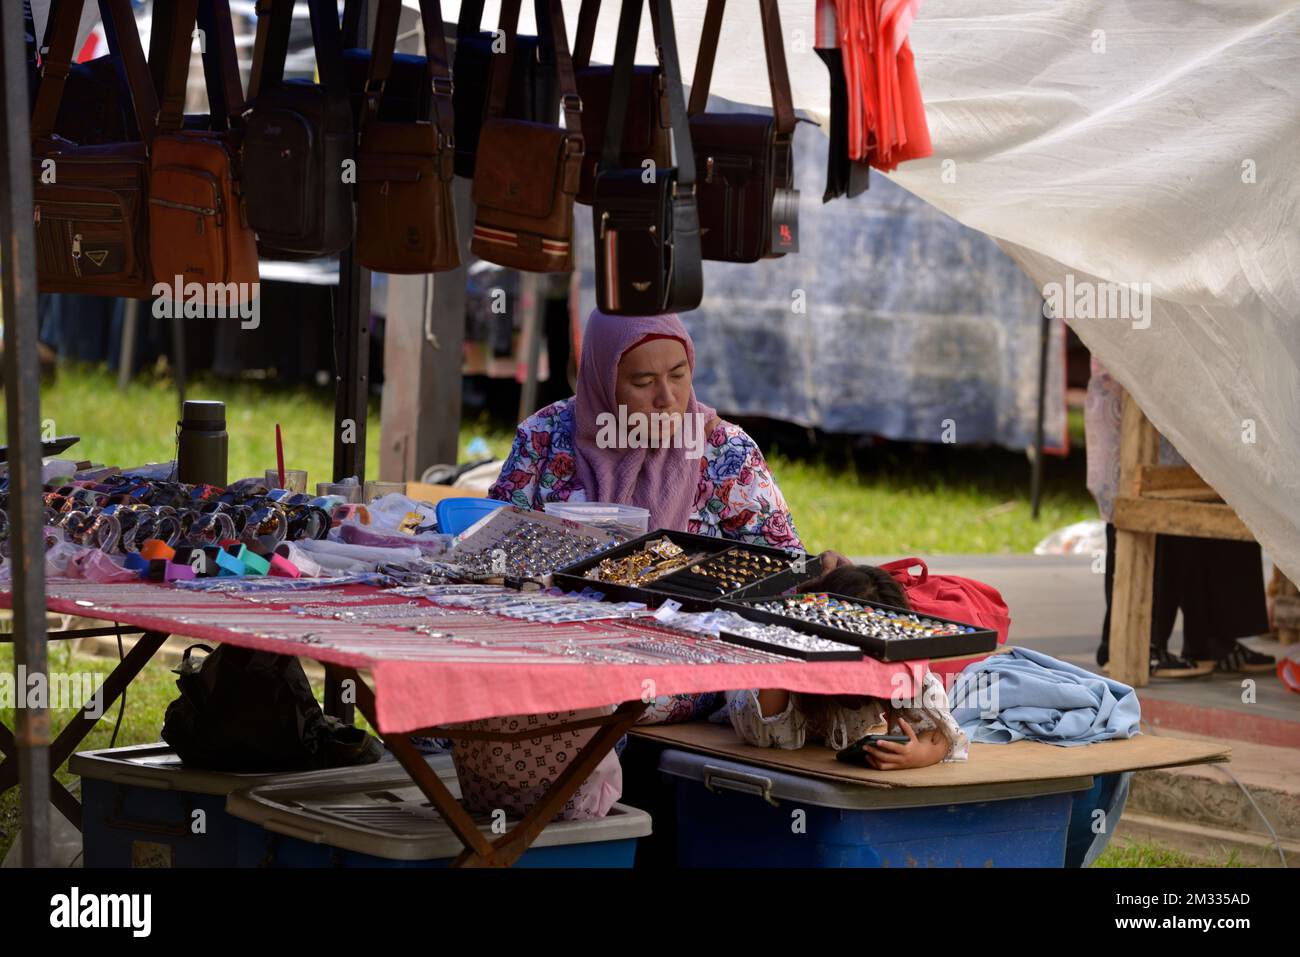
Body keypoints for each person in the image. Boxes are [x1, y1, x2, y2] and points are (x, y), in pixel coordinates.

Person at [488, 309, 802, 549]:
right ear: (603, 382)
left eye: (678, 375)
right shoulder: (543, 438)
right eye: (644, 382)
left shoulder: (726, 453)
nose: (667, 398)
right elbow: (491, 543)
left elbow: (786, 566)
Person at [1086, 358, 1274, 677]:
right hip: (1133, 385)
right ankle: (1136, 646)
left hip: (1187, 385)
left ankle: (1211, 639)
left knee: (1205, 500)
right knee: (1141, 504)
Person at [723, 563, 969, 768]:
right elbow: (760, 735)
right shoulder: (784, 662)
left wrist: (917, 755)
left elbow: (940, 735)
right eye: (862, 665)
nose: (872, 672)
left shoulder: (897, 658)